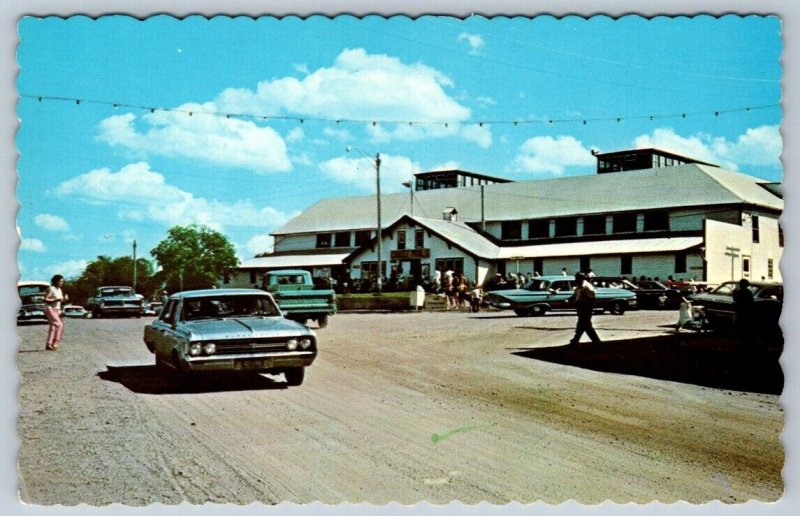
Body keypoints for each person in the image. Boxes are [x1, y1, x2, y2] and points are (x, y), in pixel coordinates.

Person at [568, 272, 601, 347]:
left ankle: (596, 341)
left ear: (582, 279)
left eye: (577, 278)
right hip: (580, 307)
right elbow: (575, 295)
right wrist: (569, 300)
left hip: (585, 308)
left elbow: (592, 299)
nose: (576, 279)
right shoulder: (579, 286)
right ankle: (575, 340)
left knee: (586, 325)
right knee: (582, 325)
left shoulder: (587, 287)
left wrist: (587, 308)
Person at [44, 274, 68, 351]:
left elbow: (60, 301)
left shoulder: (59, 290)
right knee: (59, 324)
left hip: (57, 309)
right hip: (50, 309)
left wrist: (64, 299)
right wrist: (56, 300)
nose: (62, 283)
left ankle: (49, 344)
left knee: (53, 327)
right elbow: (45, 299)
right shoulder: (51, 289)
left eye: (62, 281)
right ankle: (55, 342)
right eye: (60, 281)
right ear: (56, 281)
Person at [733, 278, 755, 347]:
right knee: (746, 324)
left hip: (739, 309)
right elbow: (752, 302)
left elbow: (735, 299)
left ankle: (739, 337)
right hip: (746, 310)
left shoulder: (738, 292)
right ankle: (745, 338)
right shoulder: (749, 292)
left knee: (739, 323)